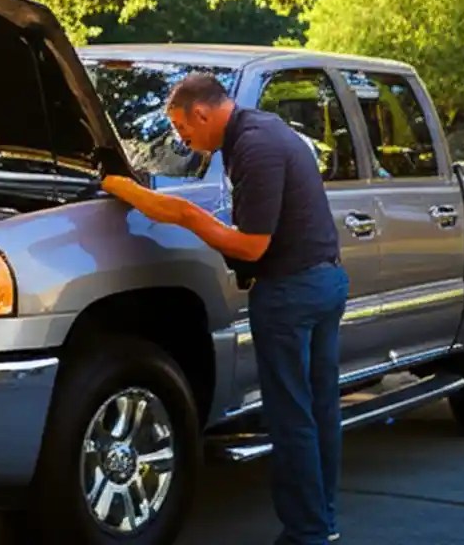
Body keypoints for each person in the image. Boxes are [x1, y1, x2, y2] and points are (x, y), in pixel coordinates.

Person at [101, 72, 349, 545]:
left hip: (291, 294)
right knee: (318, 411)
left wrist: (182, 213)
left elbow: (253, 247)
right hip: (322, 282)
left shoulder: (253, 147)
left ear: (201, 111)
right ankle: (323, 524)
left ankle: (307, 533)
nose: (182, 139)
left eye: (181, 127)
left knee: (291, 416)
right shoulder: (262, 130)